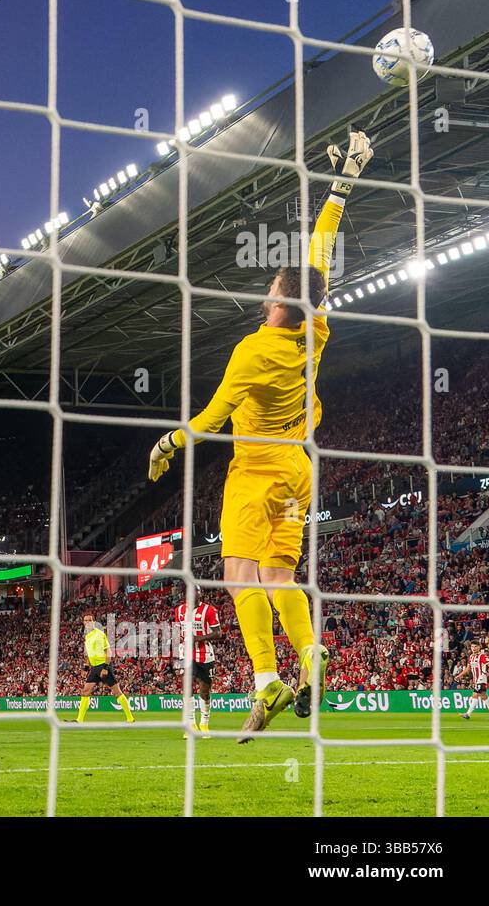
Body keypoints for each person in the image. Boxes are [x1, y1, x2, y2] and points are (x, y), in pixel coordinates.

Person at [148, 131, 374, 742]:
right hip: (299, 470)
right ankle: (309, 652)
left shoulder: (252, 352)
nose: (269, 288)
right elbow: (319, 259)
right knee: (281, 579)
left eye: (273, 286)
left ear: (277, 301)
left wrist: (168, 445)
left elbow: (213, 418)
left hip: (254, 474)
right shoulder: (315, 332)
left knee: (237, 574)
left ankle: (267, 678)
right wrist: (342, 183)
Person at [174, 588, 222, 738]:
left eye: (195, 592)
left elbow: (218, 633)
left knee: (204, 690)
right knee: (187, 685)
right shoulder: (179, 610)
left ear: (199, 594)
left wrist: (198, 638)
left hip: (205, 653)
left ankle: (204, 724)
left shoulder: (209, 610)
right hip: (185, 652)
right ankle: (191, 725)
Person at [77, 611, 135, 724]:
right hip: (94, 668)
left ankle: (130, 718)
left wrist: (105, 667)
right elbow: (88, 654)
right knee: (85, 691)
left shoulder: (99, 634)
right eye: (86, 620)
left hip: (103, 666)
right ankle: (79, 720)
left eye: (90, 620)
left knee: (117, 692)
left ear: (93, 622)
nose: (88, 622)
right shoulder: (87, 636)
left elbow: (108, 651)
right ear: (83, 623)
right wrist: (85, 667)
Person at [459, 639, 489, 720]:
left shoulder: (482, 656)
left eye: (475, 646)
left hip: (481, 678)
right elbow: (468, 668)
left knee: (475, 695)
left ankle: (468, 714)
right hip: (476, 680)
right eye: (472, 646)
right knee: (484, 696)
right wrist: (459, 675)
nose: (474, 648)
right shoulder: (471, 657)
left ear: (479, 647)